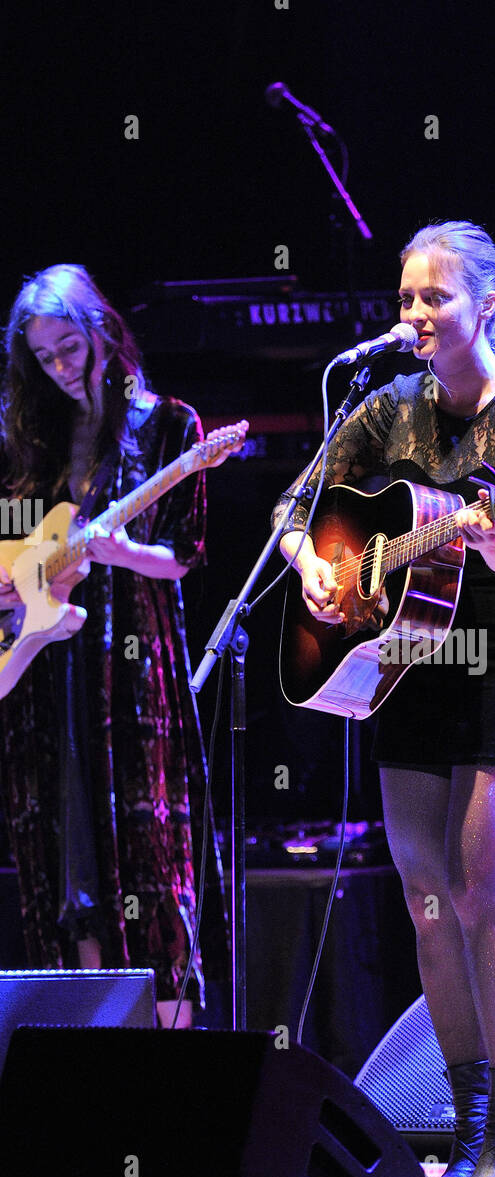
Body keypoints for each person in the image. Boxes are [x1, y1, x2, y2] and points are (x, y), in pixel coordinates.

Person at [274, 221, 495, 1177]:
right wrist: (317, 564)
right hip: (410, 658)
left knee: (478, 881)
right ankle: (467, 1123)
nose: (411, 316)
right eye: (405, 298)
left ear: (483, 304)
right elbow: (292, 508)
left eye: (432, 298)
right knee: (421, 895)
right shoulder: (385, 408)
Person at [0, 264, 228, 1027]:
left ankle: (169, 1047)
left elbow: (183, 556)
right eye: (44, 357)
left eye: (70, 347)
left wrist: (118, 550)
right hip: (40, 663)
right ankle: (87, 1056)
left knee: (146, 849)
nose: (61, 369)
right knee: (64, 857)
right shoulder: (26, 439)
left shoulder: (168, 425)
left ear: (101, 332)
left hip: (130, 659)